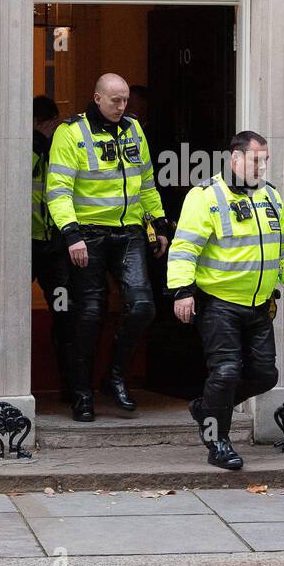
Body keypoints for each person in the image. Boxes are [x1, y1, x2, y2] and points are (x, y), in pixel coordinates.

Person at [167, 130, 284, 470]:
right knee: (227, 372)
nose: (262, 166)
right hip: (219, 302)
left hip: (260, 304)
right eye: (255, 159)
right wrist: (182, 290)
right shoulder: (206, 197)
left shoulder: (271, 195)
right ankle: (218, 441)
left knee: (265, 375)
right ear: (234, 159)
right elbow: (185, 248)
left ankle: (207, 409)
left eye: (265, 160)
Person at [46, 74, 170, 422]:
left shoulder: (133, 129)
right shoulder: (71, 132)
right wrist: (71, 233)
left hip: (129, 231)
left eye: (126, 100)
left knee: (143, 306)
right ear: (97, 97)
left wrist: (158, 223)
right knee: (88, 315)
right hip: (88, 232)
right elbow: (57, 189)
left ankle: (114, 376)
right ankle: (82, 393)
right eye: (115, 100)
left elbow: (146, 180)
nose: (122, 107)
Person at [31, 95, 74, 403]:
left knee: (64, 314)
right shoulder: (25, 150)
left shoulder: (61, 152)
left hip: (55, 245)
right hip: (26, 245)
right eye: (49, 124)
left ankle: (70, 388)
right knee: (17, 315)